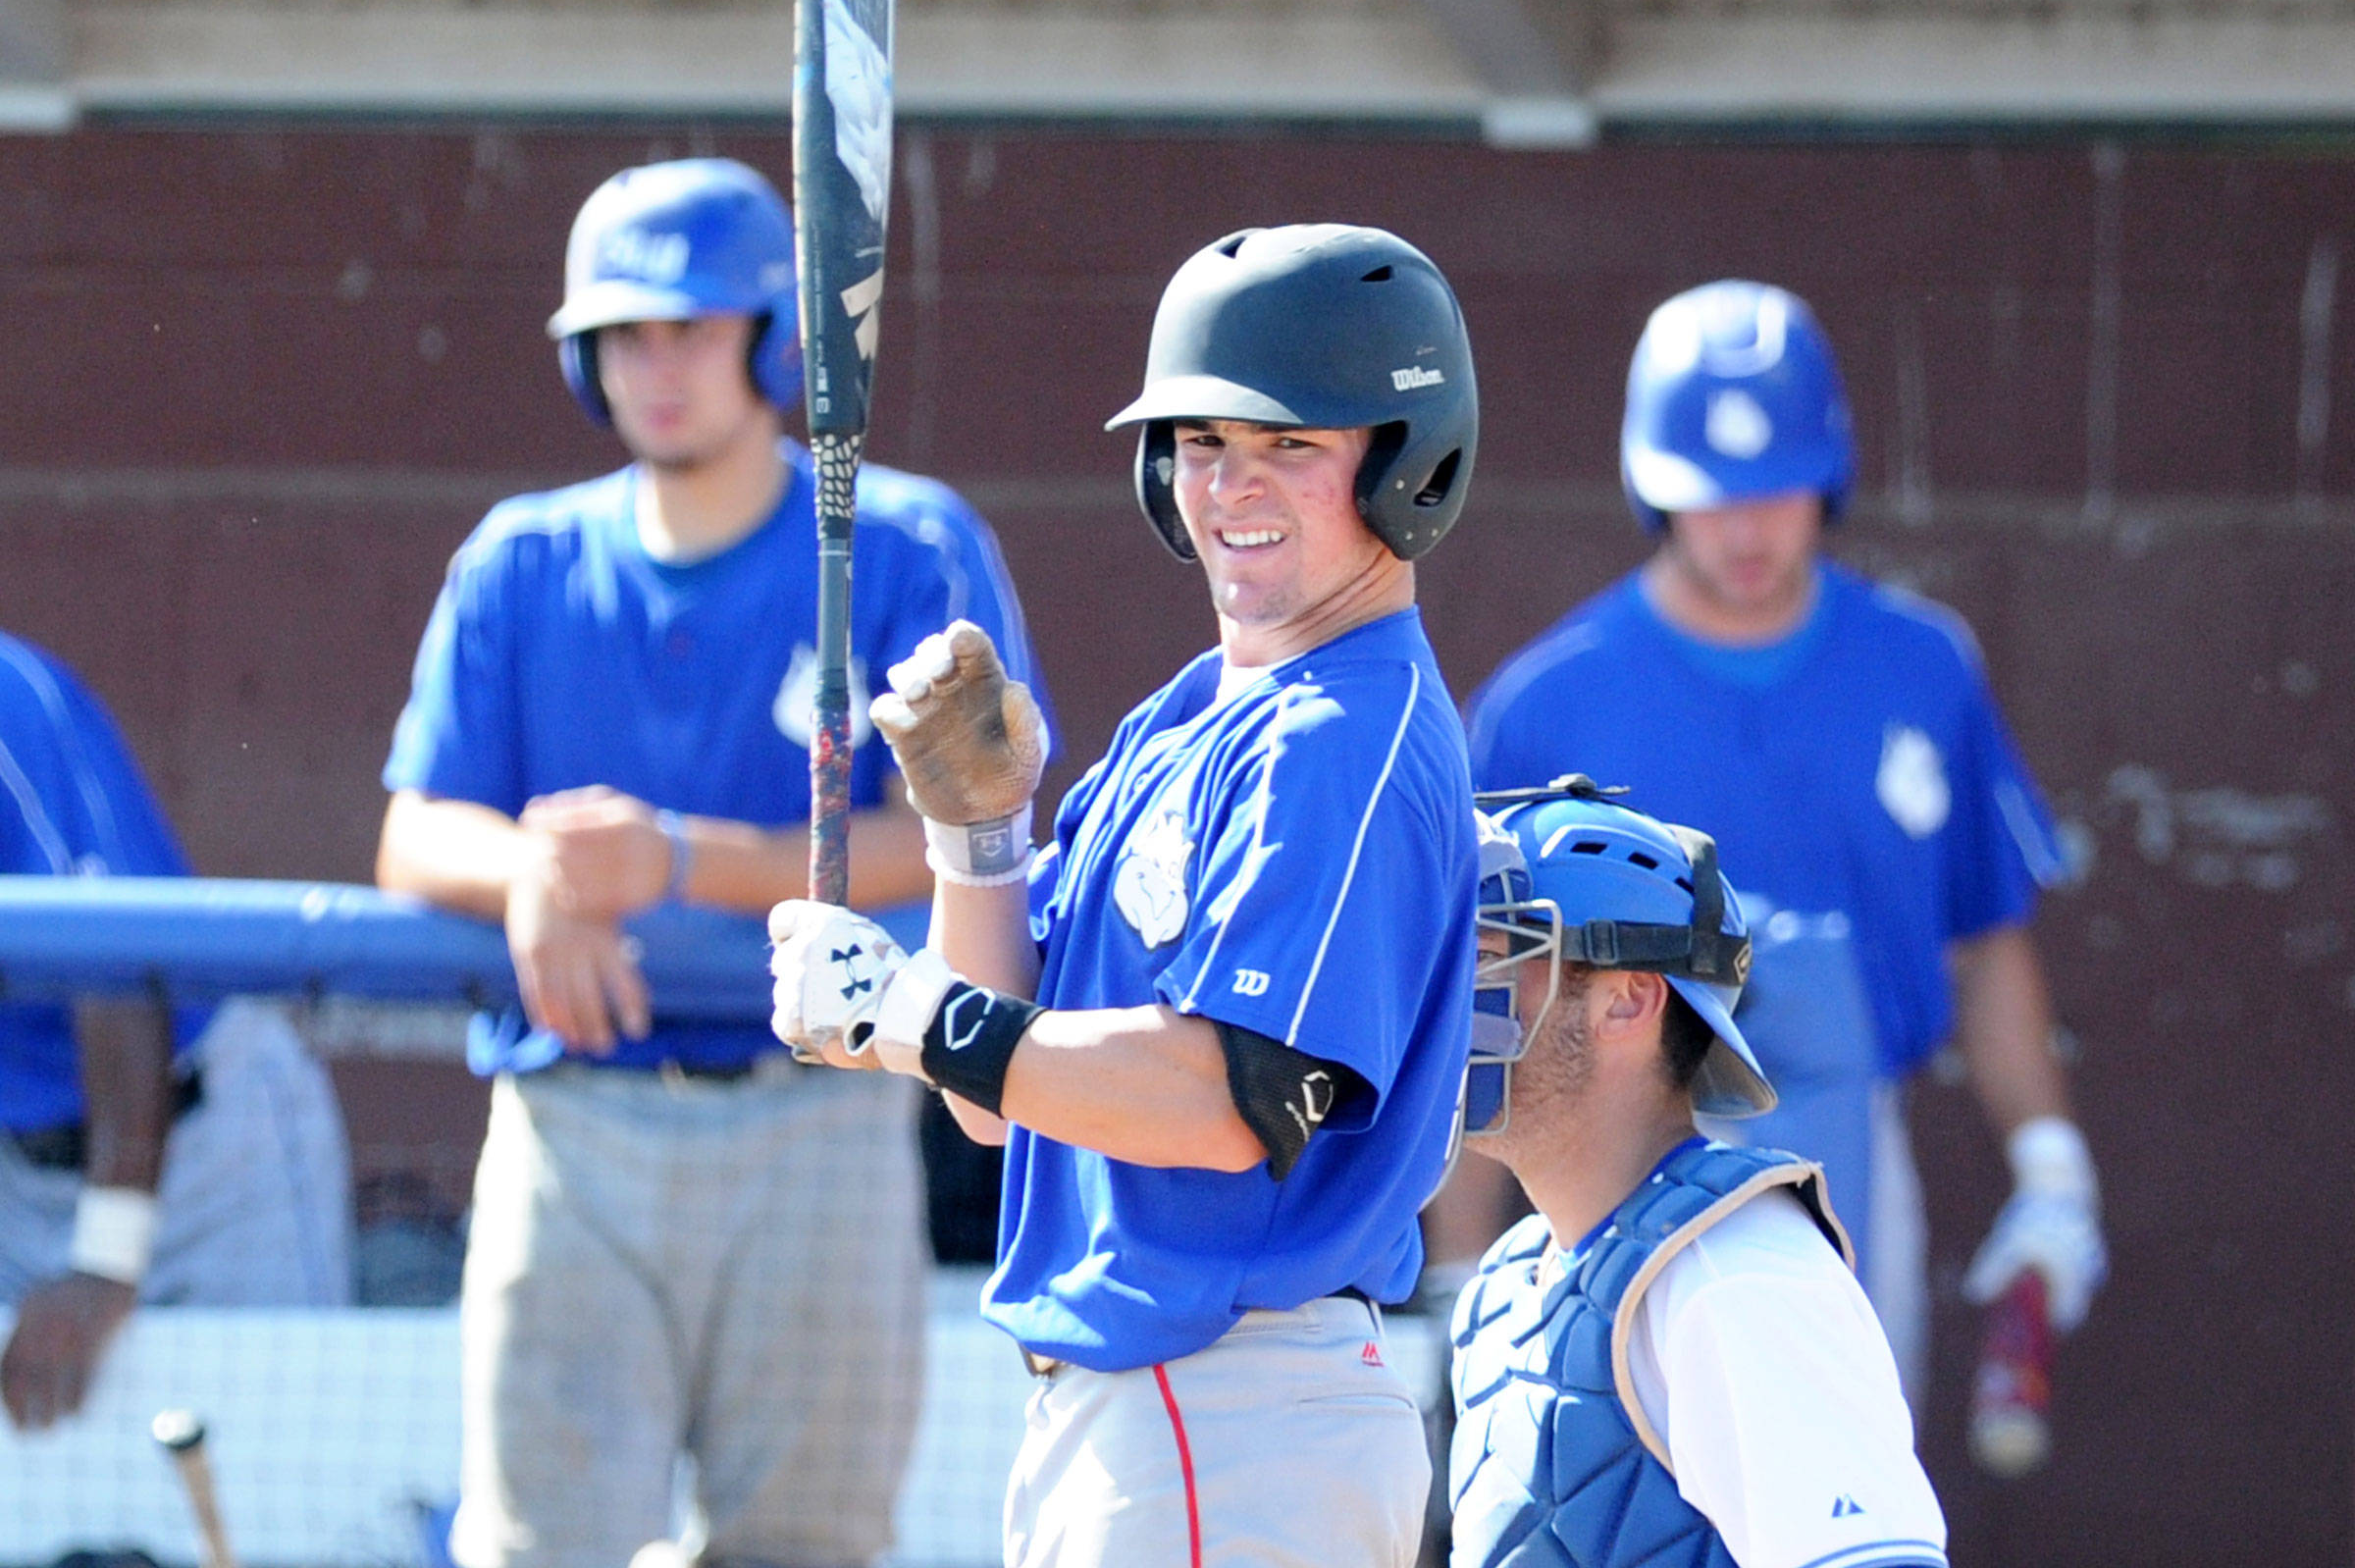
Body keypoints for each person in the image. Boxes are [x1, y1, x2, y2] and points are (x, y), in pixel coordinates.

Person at [770, 223, 1481, 1568]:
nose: (1232, 484)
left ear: (1405, 461)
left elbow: (1223, 1104)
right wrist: (976, 841)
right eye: (1202, 442)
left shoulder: (1344, 732)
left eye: (1290, 443)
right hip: (1145, 1417)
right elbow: (999, 1096)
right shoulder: (1191, 713)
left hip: (1236, 1403)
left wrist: (905, 1012)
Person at [376, 157, 1049, 1568]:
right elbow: (414, 831)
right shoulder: (520, 559)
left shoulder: (903, 544)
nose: (656, 367)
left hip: (827, 1105)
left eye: (690, 327)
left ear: (775, 338)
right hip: (575, 1112)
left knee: (803, 1548)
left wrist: (675, 862)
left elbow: (971, 839)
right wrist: (537, 876)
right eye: (623, 334)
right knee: (539, 1549)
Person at [1462, 280, 2104, 1393]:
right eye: (1711, 496)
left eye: (1777, 490)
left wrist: (2054, 1170)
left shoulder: (1922, 665)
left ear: (1829, 478)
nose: (1747, 528)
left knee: (1844, 1478)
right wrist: (1454, 1269)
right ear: (1654, 486)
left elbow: (1987, 939)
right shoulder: (1545, 705)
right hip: (1605, 1172)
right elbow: (1476, 993)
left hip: (1853, 1158)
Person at [1448, 778, 1947, 1568]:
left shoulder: (1738, 1271)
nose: (1442, 1007)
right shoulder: (1506, 1286)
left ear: (1626, 1002)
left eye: (1485, 959)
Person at [0, 630, 350, 1433]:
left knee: (289, 1462)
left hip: (208, 1147)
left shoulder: (7, 699)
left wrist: (104, 1260)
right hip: (16, 1176)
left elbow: (117, 965)